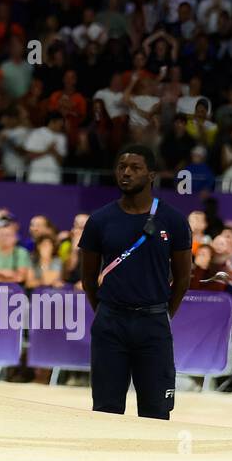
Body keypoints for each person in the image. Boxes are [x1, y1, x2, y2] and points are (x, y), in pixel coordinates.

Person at [78, 145, 192, 420]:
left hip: (153, 325)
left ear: (151, 174)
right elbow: (88, 280)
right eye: (121, 167)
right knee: (106, 410)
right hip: (110, 325)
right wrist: (107, 312)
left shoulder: (174, 221)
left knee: (156, 412)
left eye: (135, 168)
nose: (126, 173)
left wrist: (163, 314)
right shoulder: (99, 221)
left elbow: (183, 278)